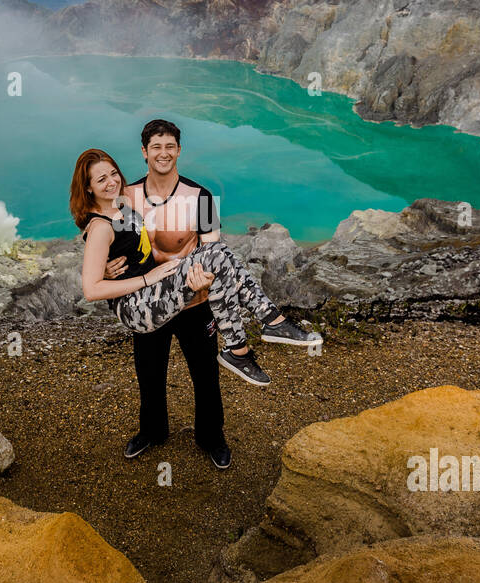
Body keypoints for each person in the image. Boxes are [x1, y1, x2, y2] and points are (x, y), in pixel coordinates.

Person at [71, 143, 321, 469]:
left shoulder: (194, 196)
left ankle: (211, 437)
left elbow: (208, 241)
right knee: (149, 374)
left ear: (178, 151)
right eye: (100, 179)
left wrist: (204, 277)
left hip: (189, 299)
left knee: (205, 373)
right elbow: (92, 277)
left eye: (114, 173)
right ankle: (154, 430)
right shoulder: (119, 207)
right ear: (145, 153)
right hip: (148, 302)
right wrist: (110, 268)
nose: (111, 181)